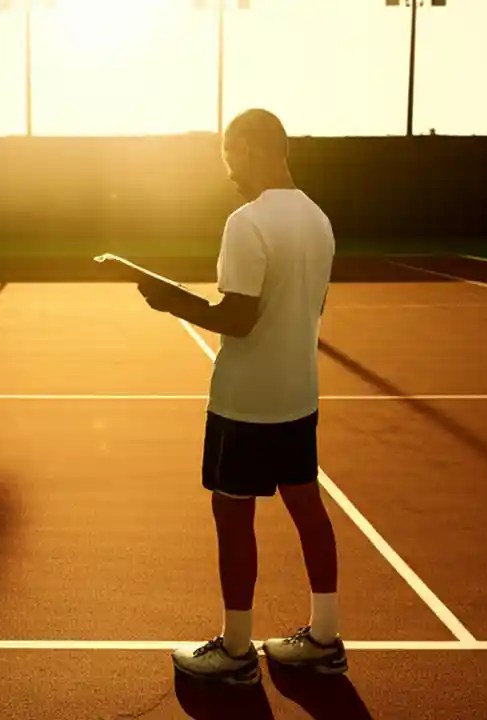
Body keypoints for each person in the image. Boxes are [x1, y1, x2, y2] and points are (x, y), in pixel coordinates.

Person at [136, 109, 344, 684]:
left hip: (244, 402)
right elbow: (310, 309)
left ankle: (234, 652)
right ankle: (324, 638)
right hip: (298, 396)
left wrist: (169, 300)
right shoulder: (320, 221)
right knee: (308, 509)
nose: (228, 172)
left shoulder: (245, 222)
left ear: (255, 147)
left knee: (232, 515)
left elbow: (240, 316)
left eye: (231, 156)